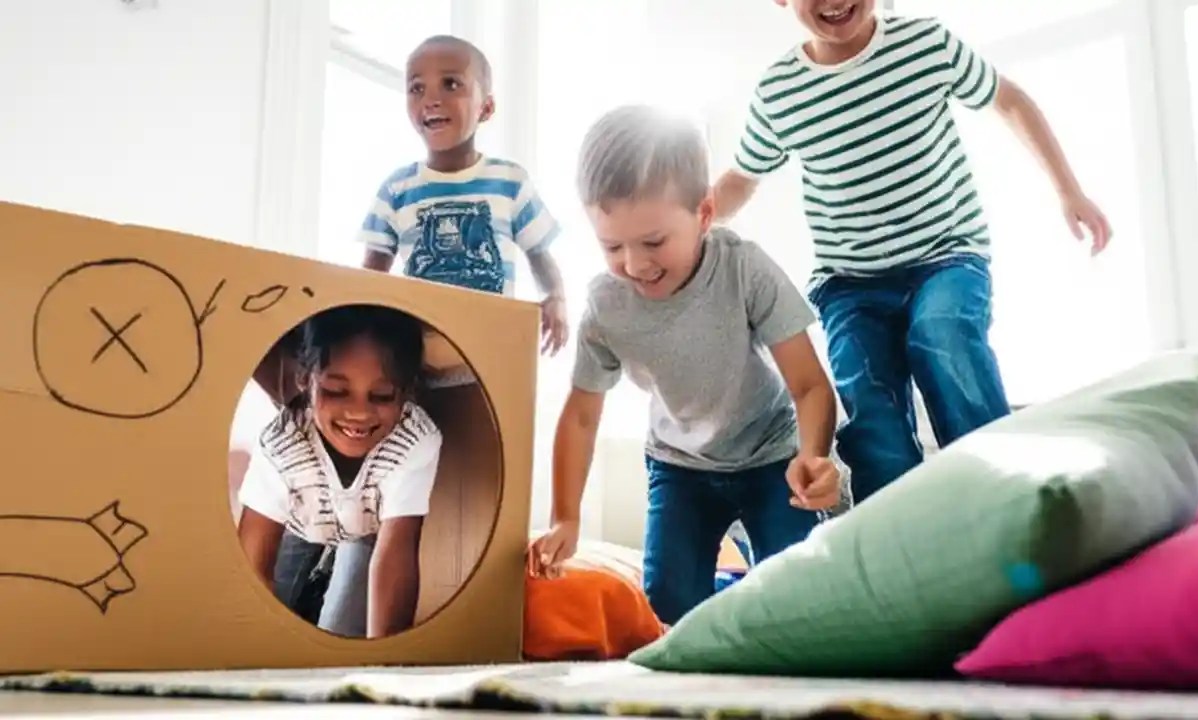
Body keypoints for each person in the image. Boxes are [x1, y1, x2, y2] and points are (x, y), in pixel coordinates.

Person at [713, 0, 1114, 502]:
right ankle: (898, 525)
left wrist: (1068, 189)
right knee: (869, 399)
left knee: (942, 334)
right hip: (850, 284)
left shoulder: (925, 45)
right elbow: (742, 177)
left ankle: (1001, 494)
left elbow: (1008, 100)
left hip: (947, 256)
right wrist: (694, 216)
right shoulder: (781, 92)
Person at [528, 105, 842, 625]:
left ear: (703, 213)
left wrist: (813, 455)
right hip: (680, 467)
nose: (635, 264)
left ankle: (749, 585)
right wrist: (565, 516)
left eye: (653, 242)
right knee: (669, 608)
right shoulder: (606, 305)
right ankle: (729, 585)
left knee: (802, 599)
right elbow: (581, 415)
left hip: (770, 454)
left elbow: (809, 384)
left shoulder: (745, 268)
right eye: (612, 246)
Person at [237, 304, 443, 639]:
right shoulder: (282, 445)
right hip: (300, 522)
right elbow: (252, 565)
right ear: (305, 381)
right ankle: (319, 571)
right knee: (266, 617)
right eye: (336, 390)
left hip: (367, 528)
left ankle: (330, 567)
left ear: (404, 394)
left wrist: (384, 660)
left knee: (341, 633)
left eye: (381, 395)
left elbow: (397, 552)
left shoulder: (415, 438)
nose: (359, 412)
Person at [359, 34, 569, 356]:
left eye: (451, 84)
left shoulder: (510, 181)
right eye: (417, 88)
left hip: (492, 351)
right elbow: (370, 279)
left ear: (486, 107)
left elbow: (539, 253)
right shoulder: (395, 190)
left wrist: (556, 296)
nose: (431, 99)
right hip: (417, 354)